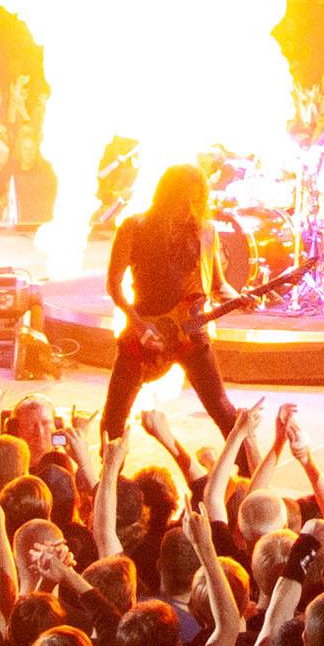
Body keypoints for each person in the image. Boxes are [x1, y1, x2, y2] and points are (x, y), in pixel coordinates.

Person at [104, 162, 245, 439]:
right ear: (167, 198)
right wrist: (139, 324)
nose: (190, 209)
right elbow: (114, 285)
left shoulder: (206, 232)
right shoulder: (133, 227)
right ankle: (110, 477)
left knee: (223, 410)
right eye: (184, 201)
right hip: (146, 331)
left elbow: (218, 285)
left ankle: (247, 475)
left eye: (197, 201)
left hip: (190, 335)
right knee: (114, 417)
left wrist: (239, 298)